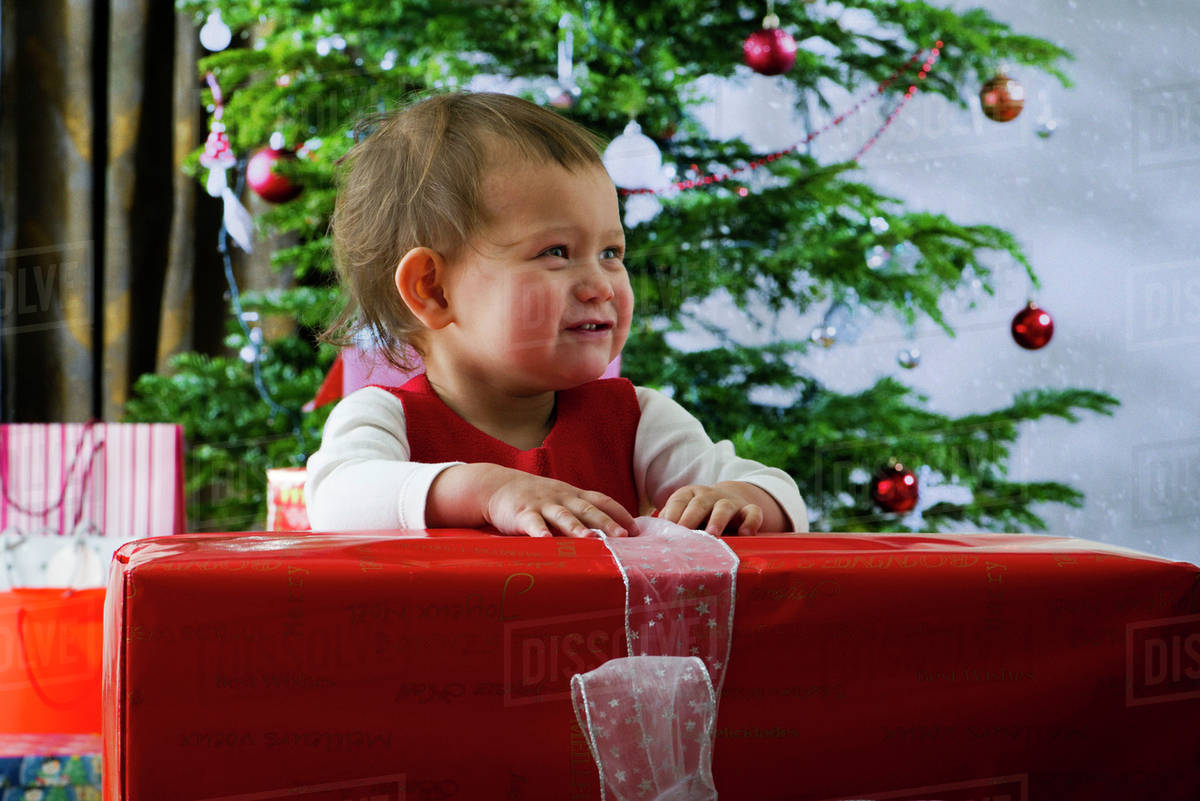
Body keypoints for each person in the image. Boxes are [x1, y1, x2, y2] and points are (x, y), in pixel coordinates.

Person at [306, 91, 807, 538]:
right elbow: (334, 500)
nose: (600, 286)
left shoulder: (637, 421)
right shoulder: (386, 419)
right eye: (557, 252)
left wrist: (745, 500)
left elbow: (776, 493)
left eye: (611, 252)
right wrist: (487, 490)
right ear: (433, 290)